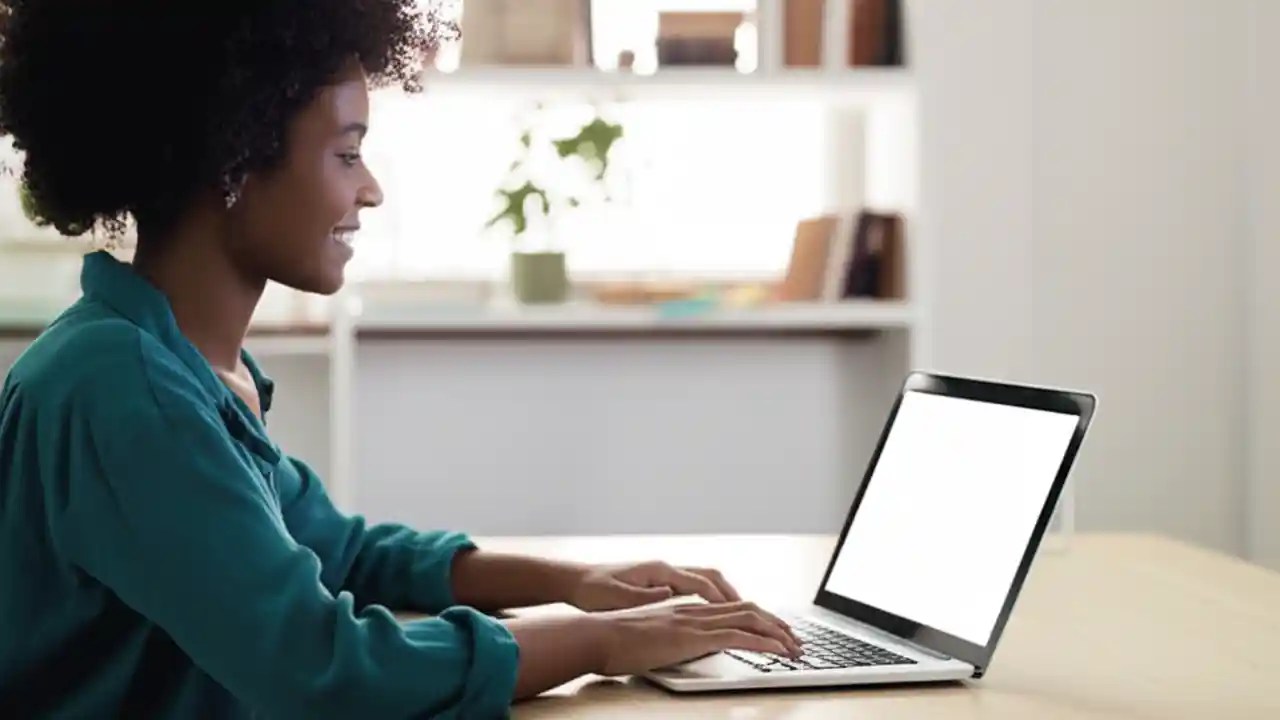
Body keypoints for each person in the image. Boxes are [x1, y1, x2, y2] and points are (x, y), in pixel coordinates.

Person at [0, 1, 802, 717]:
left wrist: (574, 581)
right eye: (348, 154)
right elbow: (326, 668)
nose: (372, 190)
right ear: (232, 161)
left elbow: (344, 552)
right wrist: (596, 641)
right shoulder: (122, 392)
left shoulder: (180, 369)